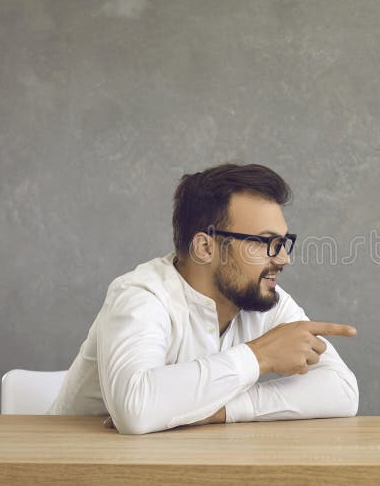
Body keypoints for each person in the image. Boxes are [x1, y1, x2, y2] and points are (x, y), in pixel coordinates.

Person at [49, 163, 359, 434]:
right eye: (266, 242)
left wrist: (222, 411)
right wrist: (259, 356)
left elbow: (342, 389)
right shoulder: (140, 296)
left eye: (283, 242)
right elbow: (134, 410)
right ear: (206, 247)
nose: (283, 259)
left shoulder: (262, 298)